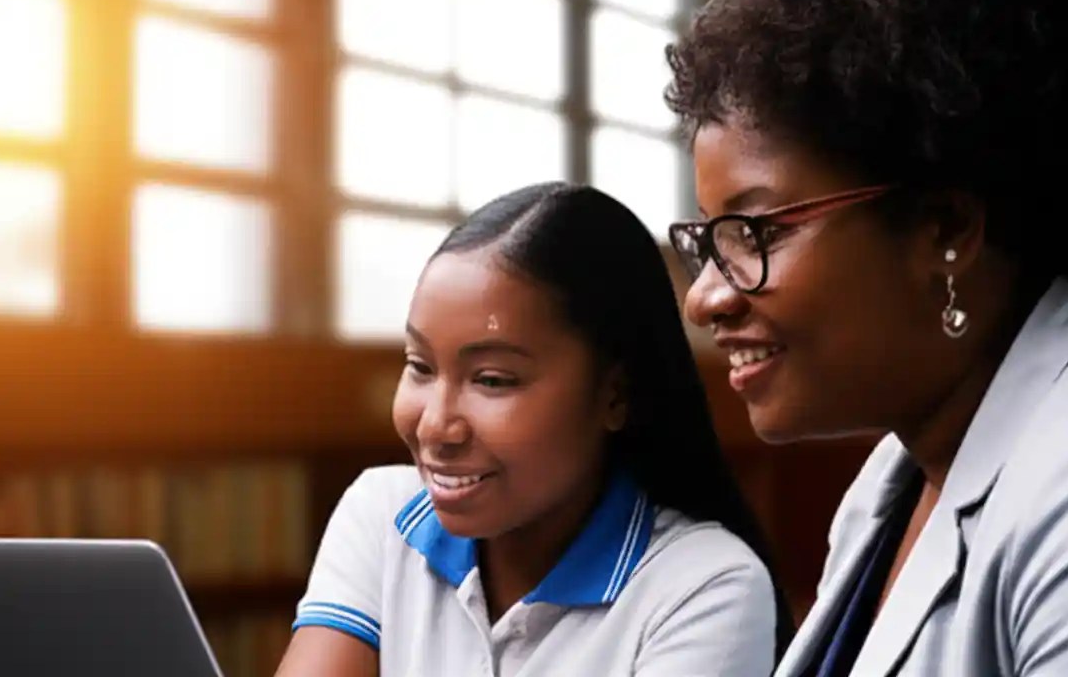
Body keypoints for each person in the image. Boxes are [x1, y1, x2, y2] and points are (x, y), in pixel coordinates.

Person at [664, 0, 1068, 675]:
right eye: (710, 240)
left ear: (944, 227)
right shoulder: (898, 476)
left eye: (757, 234)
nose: (706, 298)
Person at [276, 182, 791, 677]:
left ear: (615, 394)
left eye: (493, 380)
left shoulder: (704, 585)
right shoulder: (383, 517)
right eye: (420, 366)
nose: (436, 426)